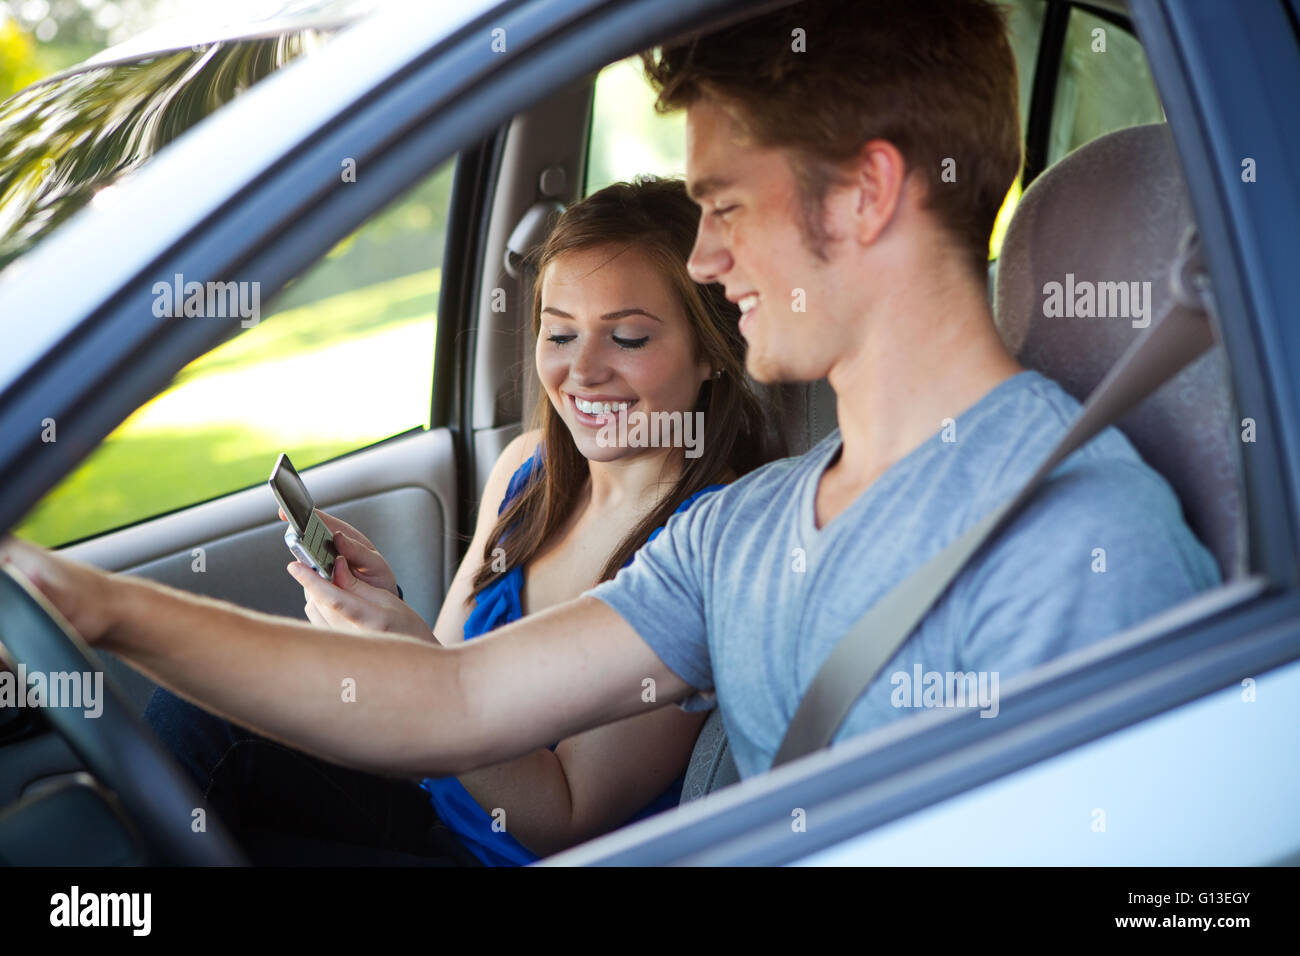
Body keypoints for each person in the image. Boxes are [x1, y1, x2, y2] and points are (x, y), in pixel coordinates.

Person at [2, 0, 1220, 848]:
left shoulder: (1072, 550)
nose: (704, 254)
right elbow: (458, 702)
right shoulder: (741, 527)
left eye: (724, 204)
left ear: (864, 194)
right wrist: (105, 608)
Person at [123, 176, 783, 865]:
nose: (582, 370)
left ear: (709, 350)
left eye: (626, 337)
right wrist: (386, 617)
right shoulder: (526, 475)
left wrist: (413, 655)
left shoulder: (708, 541)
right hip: (424, 807)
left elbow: (564, 817)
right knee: (200, 717)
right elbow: (441, 679)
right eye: (560, 333)